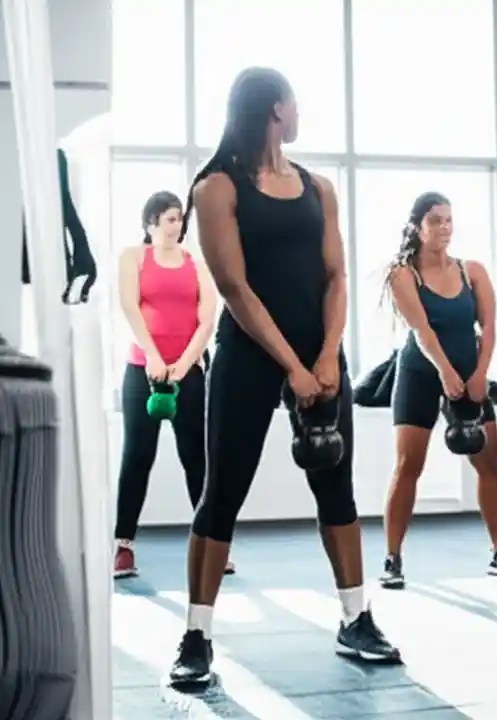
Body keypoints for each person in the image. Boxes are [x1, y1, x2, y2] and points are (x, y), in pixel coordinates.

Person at [168, 67, 398, 687]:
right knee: (221, 494)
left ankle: (356, 619)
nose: (299, 113)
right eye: (294, 103)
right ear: (274, 109)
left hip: (318, 354)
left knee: (336, 486)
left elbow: (336, 278)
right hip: (248, 355)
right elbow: (235, 288)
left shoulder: (319, 187)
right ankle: (196, 635)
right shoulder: (217, 187)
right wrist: (292, 366)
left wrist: (327, 356)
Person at [379, 191, 497, 589]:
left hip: (468, 369)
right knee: (408, 466)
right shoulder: (402, 274)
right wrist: (445, 371)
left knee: (488, 463)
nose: (444, 228)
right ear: (417, 226)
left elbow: (490, 328)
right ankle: (392, 557)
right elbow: (421, 330)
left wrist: (481, 373)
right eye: (435, 221)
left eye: (448, 219)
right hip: (420, 371)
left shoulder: (472, 271)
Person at [114, 191, 228, 578]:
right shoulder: (133, 257)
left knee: (196, 456)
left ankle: (212, 544)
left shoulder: (197, 262)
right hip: (141, 370)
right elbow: (130, 307)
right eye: (169, 219)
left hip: (188, 373)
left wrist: (182, 365)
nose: (177, 226)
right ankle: (124, 546)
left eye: (180, 219)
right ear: (151, 223)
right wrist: (154, 358)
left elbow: (207, 318)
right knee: (137, 457)